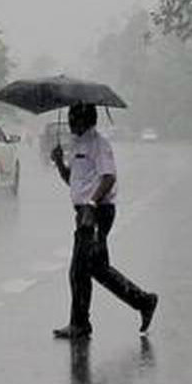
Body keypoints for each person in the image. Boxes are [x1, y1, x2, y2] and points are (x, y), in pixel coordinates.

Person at [51, 103, 158, 340]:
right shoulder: (78, 145)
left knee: (79, 270)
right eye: (69, 116)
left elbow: (108, 178)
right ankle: (144, 301)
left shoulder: (99, 145)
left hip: (96, 213)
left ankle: (80, 324)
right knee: (98, 269)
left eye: (73, 117)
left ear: (86, 119)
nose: (69, 121)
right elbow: (76, 182)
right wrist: (60, 164)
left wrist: (91, 205)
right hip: (85, 212)